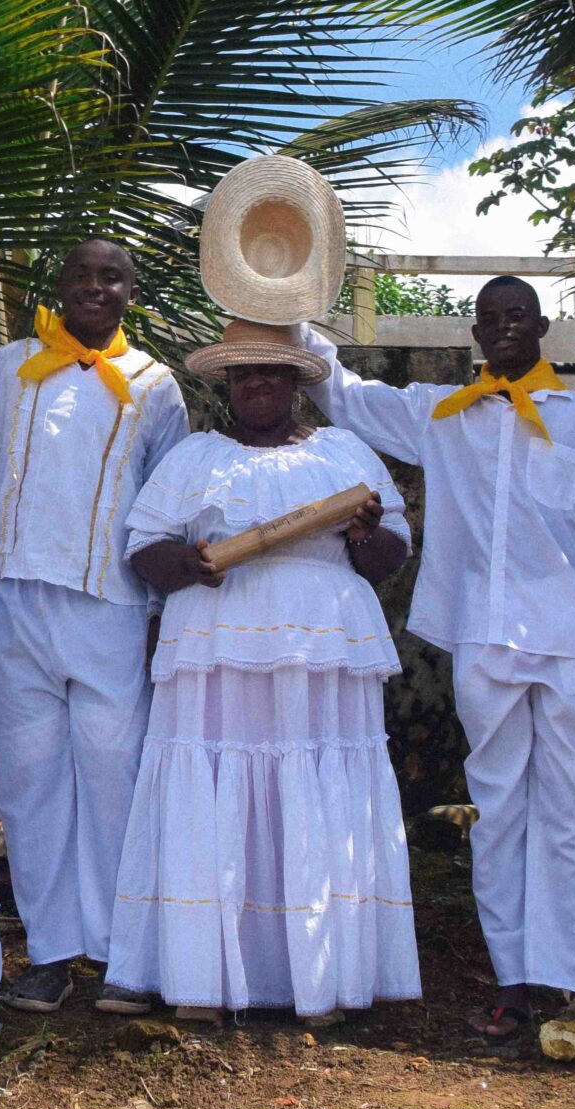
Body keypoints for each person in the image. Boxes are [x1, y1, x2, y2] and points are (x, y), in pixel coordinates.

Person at [292, 279, 575, 1042]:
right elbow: (348, 397)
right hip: (482, 639)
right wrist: (290, 314)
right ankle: (514, 981)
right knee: (499, 811)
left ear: (543, 326)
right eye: (488, 318)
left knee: (574, 810)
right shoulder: (441, 415)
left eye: (516, 314)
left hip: (573, 638)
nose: (502, 327)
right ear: (476, 334)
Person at [0, 240, 190, 1013]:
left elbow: (172, 498)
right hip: (17, 602)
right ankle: (52, 951)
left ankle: (127, 955)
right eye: (81, 274)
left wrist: (163, 614)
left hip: (112, 604)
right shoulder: (11, 364)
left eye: (111, 276)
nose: (94, 287)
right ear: (58, 286)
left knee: (112, 778)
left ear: (131, 290)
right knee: (28, 785)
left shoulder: (157, 386)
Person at [109, 320, 417, 1024]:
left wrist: (367, 532)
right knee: (215, 779)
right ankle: (202, 976)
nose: (257, 382)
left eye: (273, 372)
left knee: (310, 781)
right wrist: (193, 565)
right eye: (244, 372)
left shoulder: (345, 451)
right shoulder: (194, 457)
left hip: (322, 641)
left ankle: (318, 976)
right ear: (225, 383)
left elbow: (388, 555)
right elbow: (144, 547)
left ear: (296, 383)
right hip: (218, 633)